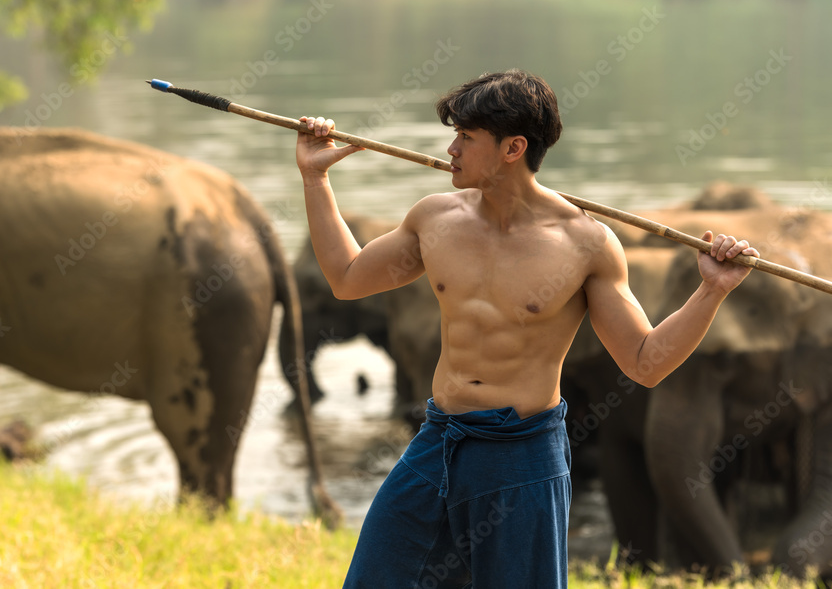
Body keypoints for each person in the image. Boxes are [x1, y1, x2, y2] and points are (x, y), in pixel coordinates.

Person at [295, 69, 760, 589]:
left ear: (513, 147)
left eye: (466, 138)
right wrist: (316, 178)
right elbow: (347, 278)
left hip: (521, 455)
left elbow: (645, 362)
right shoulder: (435, 218)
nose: (450, 149)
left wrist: (712, 289)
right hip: (439, 440)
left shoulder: (586, 243)